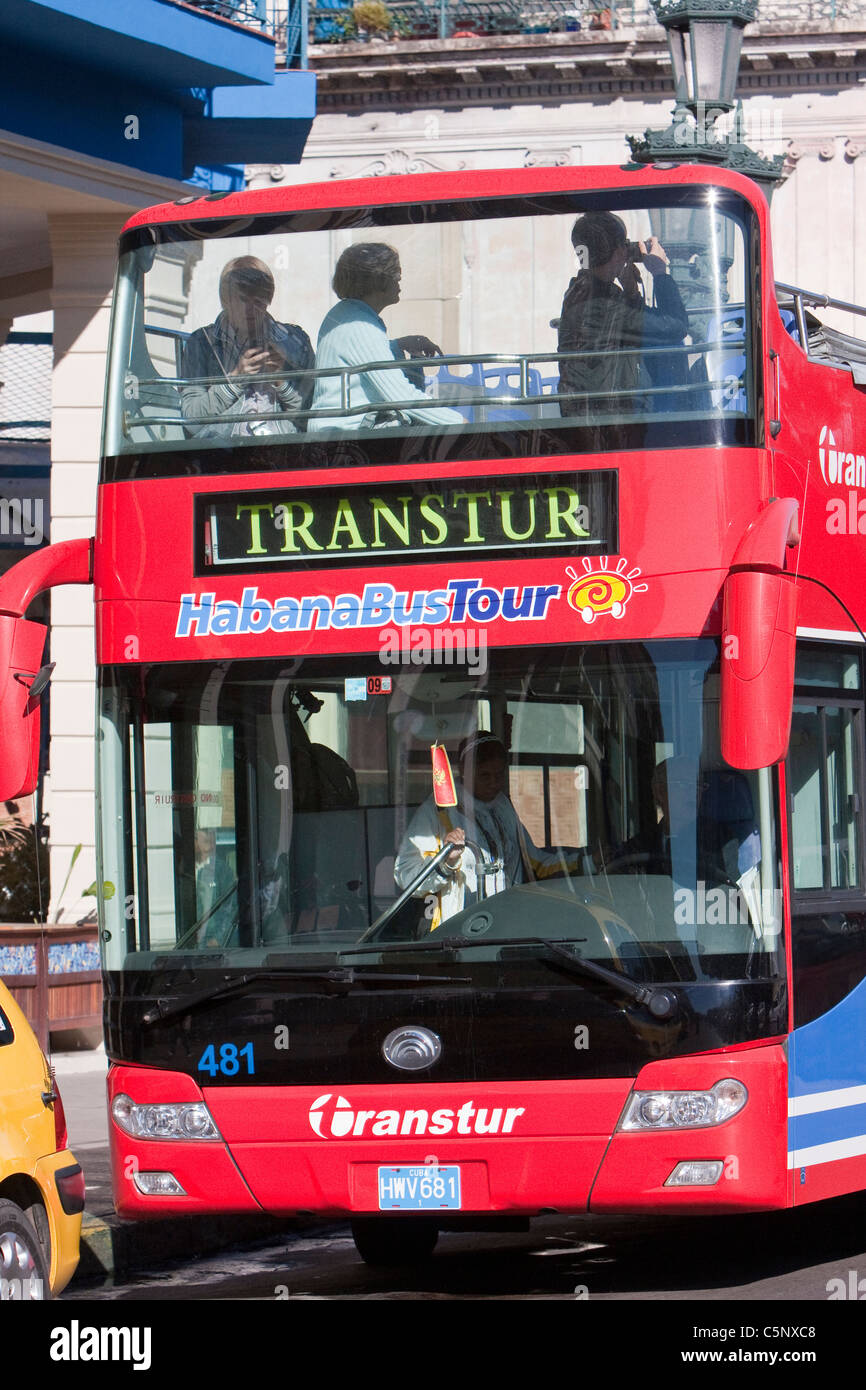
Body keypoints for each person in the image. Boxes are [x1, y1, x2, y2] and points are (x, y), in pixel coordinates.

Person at [394, 733, 578, 928]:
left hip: (505, 925)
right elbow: (404, 875)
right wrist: (447, 863)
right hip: (456, 932)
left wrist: (586, 861)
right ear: (464, 772)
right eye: (485, 776)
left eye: (499, 775)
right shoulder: (440, 810)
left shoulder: (503, 805)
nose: (493, 783)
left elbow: (535, 860)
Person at [307, 242, 464, 432]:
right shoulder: (360, 325)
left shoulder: (345, 313)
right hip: (349, 436)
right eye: (395, 272)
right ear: (377, 279)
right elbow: (399, 395)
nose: (400, 278)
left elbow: (357, 356)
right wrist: (461, 423)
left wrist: (398, 345)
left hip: (339, 430)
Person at [557, 212, 688, 425]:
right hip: (608, 421)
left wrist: (631, 293)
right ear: (618, 251)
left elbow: (630, 328)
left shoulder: (581, 291)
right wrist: (660, 274)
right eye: (624, 245)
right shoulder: (602, 304)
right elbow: (675, 326)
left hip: (595, 415)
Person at [180, 256, 314, 438]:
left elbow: (312, 416)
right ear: (225, 299)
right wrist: (235, 379)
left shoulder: (295, 341)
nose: (252, 309)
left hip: (283, 451)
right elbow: (191, 422)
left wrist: (281, 380)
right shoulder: (201, 342)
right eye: (244, 299)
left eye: (260, 301)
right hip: (224, 454)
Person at [193, 828, 236, 946]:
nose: (211, 846)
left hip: (210, 939)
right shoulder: (185, 869)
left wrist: (218, 938)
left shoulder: (222, 870)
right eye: (206, 841)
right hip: (190, 937)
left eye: (212, 841)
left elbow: (229, 907)